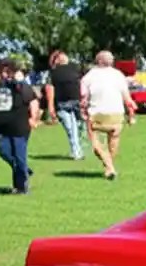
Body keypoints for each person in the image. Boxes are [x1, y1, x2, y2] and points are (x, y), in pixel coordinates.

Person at [0, 58, 40, 195]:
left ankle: (21, 188)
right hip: (0, 126)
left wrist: (33, 118)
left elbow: (33, 100)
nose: (4, 74)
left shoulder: (20, 86)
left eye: (7, 71)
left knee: (19, 157)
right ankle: (25, 171)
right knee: (4, 152)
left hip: (19, 126)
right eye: (2, 71)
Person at [80, 50, 137, 180]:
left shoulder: (89, 76)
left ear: (98, 61)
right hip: (116, 113)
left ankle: (109, 167)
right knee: (114, 140)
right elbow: (127, 98)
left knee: (95, 143)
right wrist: (131, 114)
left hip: (96, 114)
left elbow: (83, 96)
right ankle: (109, 167)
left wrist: (82, 110)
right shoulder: (119, 75)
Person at [45, 51, 84, 160]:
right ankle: (76, 151)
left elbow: (82, 84)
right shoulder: (52, 73)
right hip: (62, 104)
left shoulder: (75, 68)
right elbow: (50, 89)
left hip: (76, 102)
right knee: (70, 128)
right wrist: (51, 106)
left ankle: (77, 149)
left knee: (77, 127)